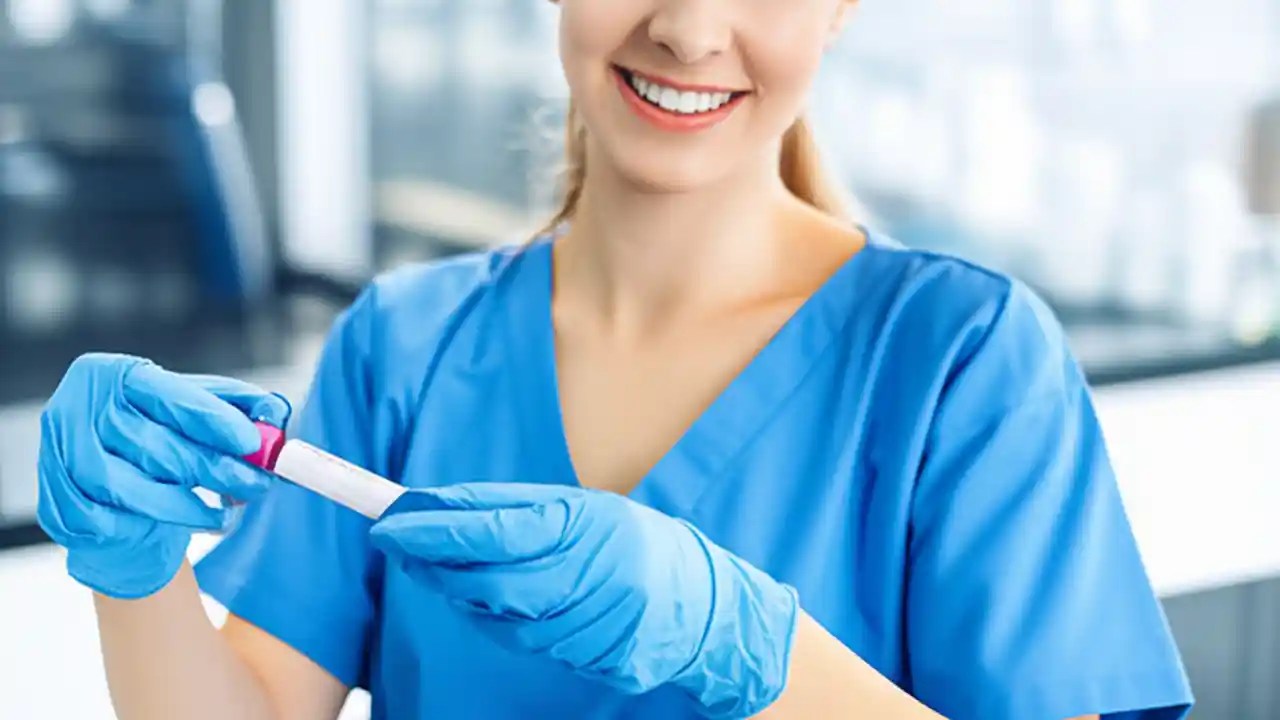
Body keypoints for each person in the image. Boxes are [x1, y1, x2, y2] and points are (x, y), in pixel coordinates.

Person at [36, 0, 1194, 718]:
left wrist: (748, 648)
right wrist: (135, 574)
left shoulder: (959, 362)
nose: (690, 29)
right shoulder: (404, 345)